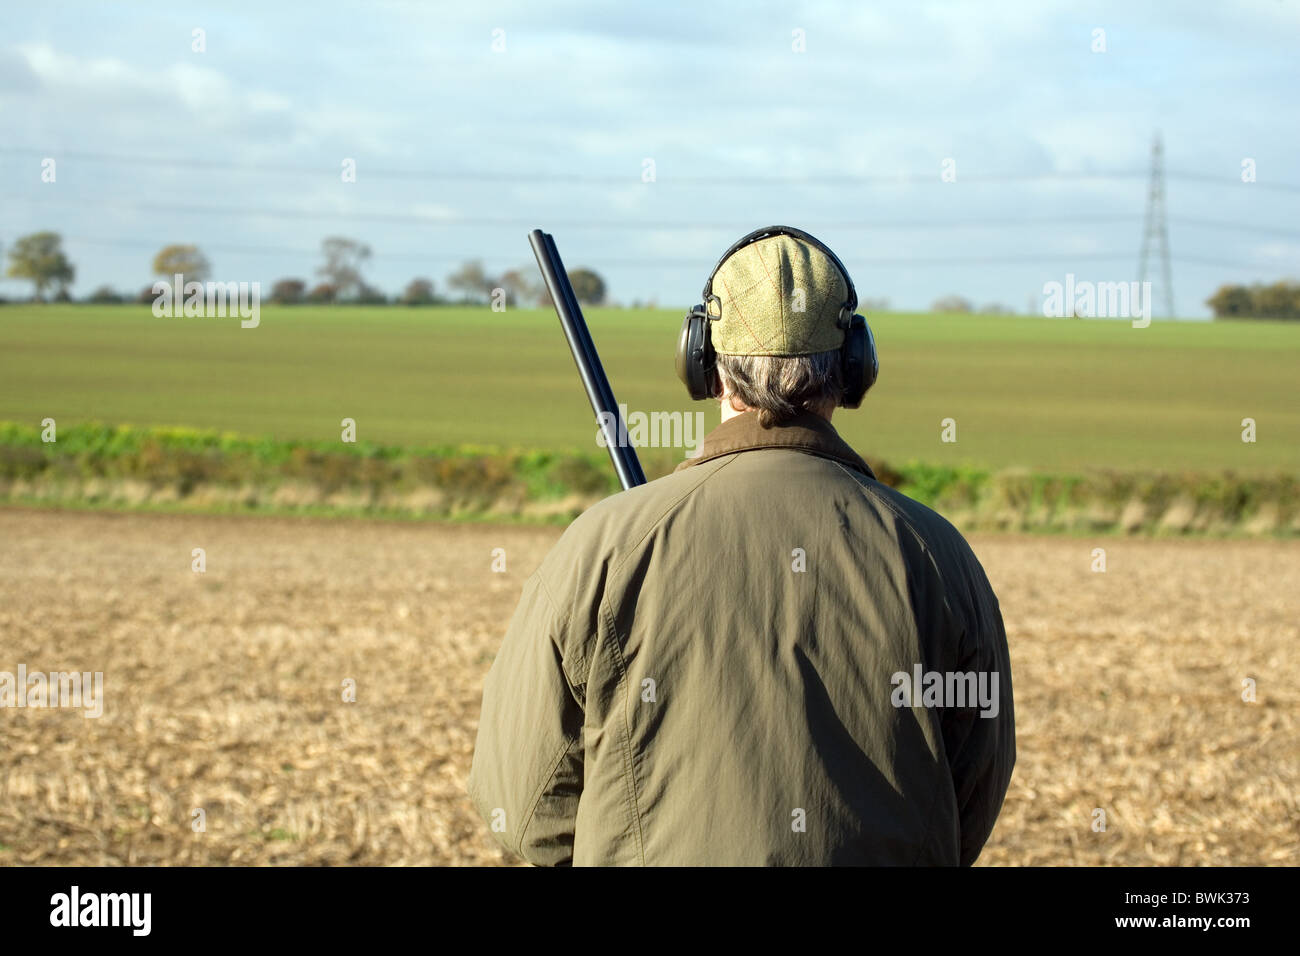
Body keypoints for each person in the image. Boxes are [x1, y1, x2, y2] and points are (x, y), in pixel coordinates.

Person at [468, 226, 1015, 866]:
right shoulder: (936, 554)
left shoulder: (605, 547)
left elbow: (524, 804)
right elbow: (970, 797)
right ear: (855, 366)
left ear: (703, 363)